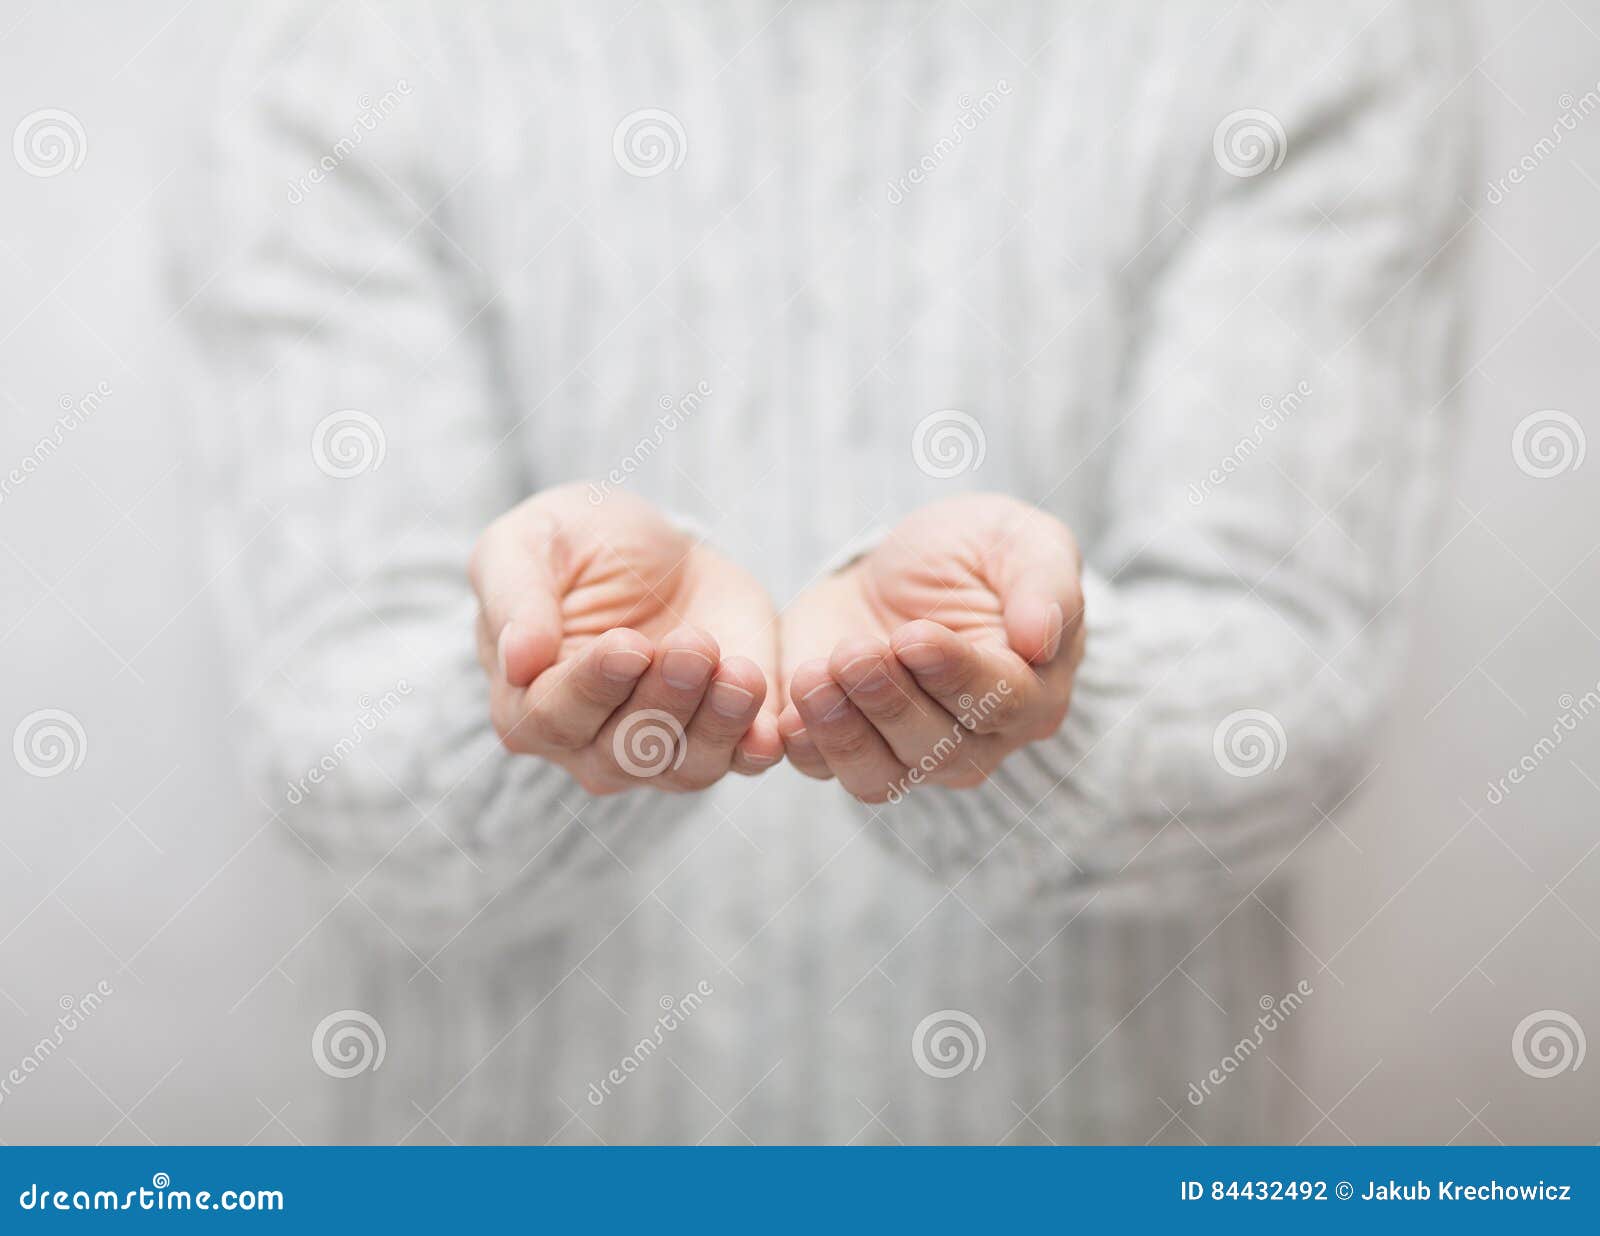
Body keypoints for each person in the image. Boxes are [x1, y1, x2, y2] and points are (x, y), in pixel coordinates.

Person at [181, 0, 1472, 1143]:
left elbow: (1289, 697)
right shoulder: (353, 54)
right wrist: (538, 693)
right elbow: (332, 756)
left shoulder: (1308, 34)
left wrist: (1036, 697)